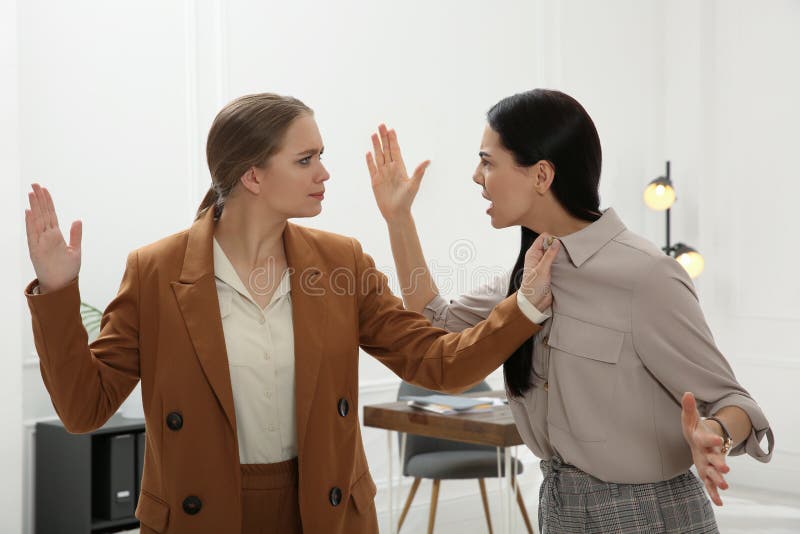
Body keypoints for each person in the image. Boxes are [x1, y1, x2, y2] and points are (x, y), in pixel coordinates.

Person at [23, 93, 560, 534]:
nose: (325, 172)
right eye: (306, 160)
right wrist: (57, 290)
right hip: (205, 516)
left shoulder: (340, 262)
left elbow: (437, 362)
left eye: (321, 155)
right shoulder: (155, 271)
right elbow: (83, 408)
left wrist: (525, 306)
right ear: (252, 176)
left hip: (324, 516)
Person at [367, 88, 774, 533]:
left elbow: (735, 402)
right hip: (559, 507)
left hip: (647, 514)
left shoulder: (647, 277)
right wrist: (398, 219)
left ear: (541, 175)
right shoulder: (527, 278)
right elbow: (434, 329)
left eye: (487, 161)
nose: (475, 176)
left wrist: (715, 433)